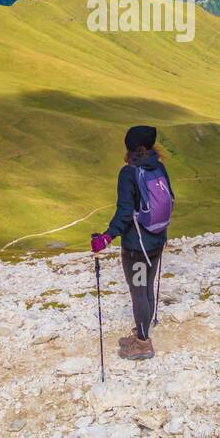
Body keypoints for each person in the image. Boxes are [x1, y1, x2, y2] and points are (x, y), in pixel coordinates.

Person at [90, 125, 173, 361]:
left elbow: (125, 212)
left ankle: (143, 343)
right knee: (146, 287)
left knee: (138, 291)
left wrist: (106, 237)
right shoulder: (159, 166)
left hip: (137, 248)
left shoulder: (129, 173)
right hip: (157, 241)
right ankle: (142, 330)